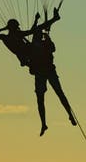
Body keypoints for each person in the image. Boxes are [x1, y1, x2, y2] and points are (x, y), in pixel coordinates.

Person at [26, 8, 77, 137]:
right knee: (43, 98)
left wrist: (46, 35)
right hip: (44, 72)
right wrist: (37, 21)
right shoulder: (37, 42)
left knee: (56, 94)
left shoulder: (42, 43)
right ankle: (44, 123)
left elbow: (52, 48)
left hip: (46, 72)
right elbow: (34, 31)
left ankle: (69, 115)